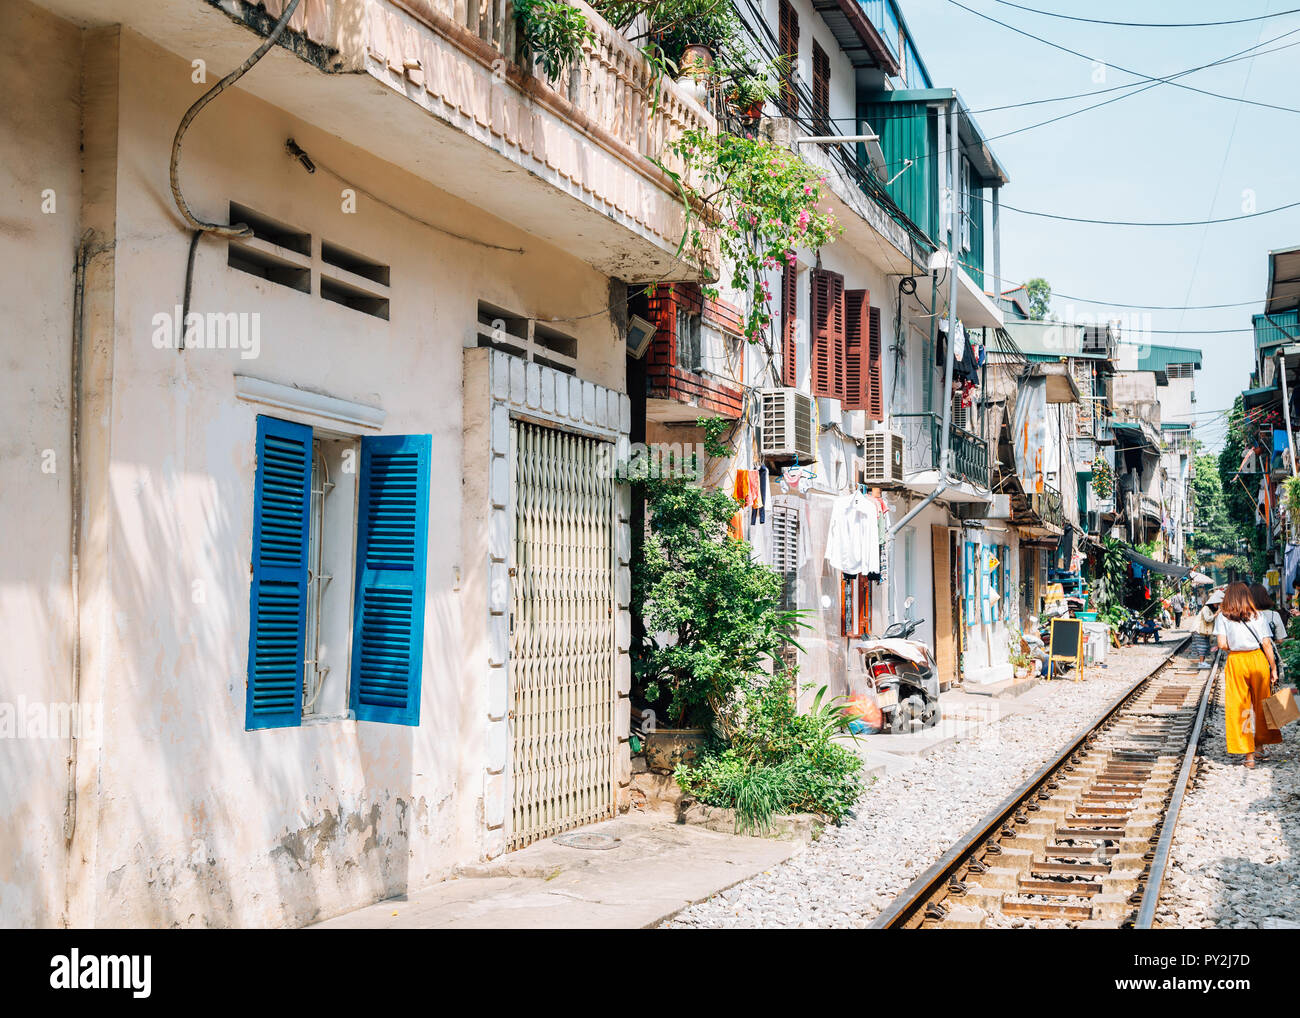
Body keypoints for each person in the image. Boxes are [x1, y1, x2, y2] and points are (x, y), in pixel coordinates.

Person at [1214, 582, 1282, 769]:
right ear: (1247, 596)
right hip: (1258, 660)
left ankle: (1249, 755)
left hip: (1236, 661)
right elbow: (1266, 643)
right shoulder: (1257, 615)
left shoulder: (1223, 617)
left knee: (1240, 707)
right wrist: (1273, 668)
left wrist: (1236, 645)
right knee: (1263, 704)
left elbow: (1221, 644)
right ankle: (1260, 746)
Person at [1192, 589, 1221, 669]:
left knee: (1205, 646)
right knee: (1202, 646)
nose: (1217, 605)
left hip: (1203, 631)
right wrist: (1216, 614)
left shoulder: (1209, 609)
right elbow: (1208, 619)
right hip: (1198, 630)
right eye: (1216, 603)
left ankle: (1203, 662)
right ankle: (1201, 663)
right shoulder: (1206, 608)